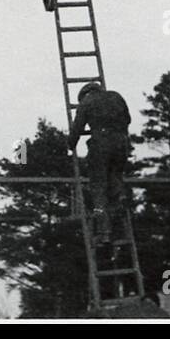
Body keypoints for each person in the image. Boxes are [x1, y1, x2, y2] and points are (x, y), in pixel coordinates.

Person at [68, 80, 131, 243]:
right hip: (121, 142)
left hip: (101, 144)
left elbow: (78, 128)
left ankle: (104, 233)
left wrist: (70, 144)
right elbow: (128, 119)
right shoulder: (116, 96)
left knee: (98, 186)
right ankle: (121, 197)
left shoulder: (86, 102)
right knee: (115, 176)